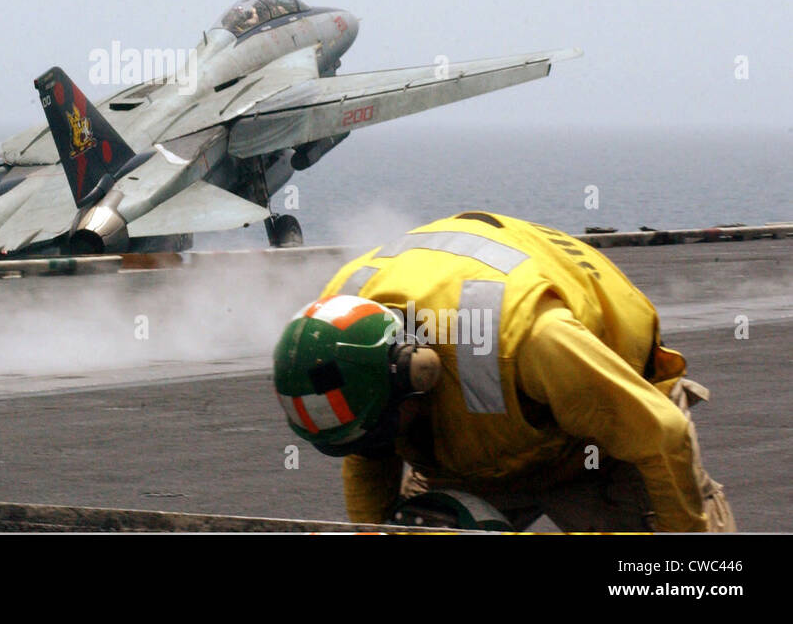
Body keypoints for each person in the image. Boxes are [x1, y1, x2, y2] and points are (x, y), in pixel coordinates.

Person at [272, 211, 735, 532]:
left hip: (605, 436)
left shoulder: (532, 340)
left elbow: (661, 435)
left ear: (419, 375)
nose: (382, 452)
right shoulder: (342, 321)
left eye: (382, 435)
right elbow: (367, 451)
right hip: (481, 448)